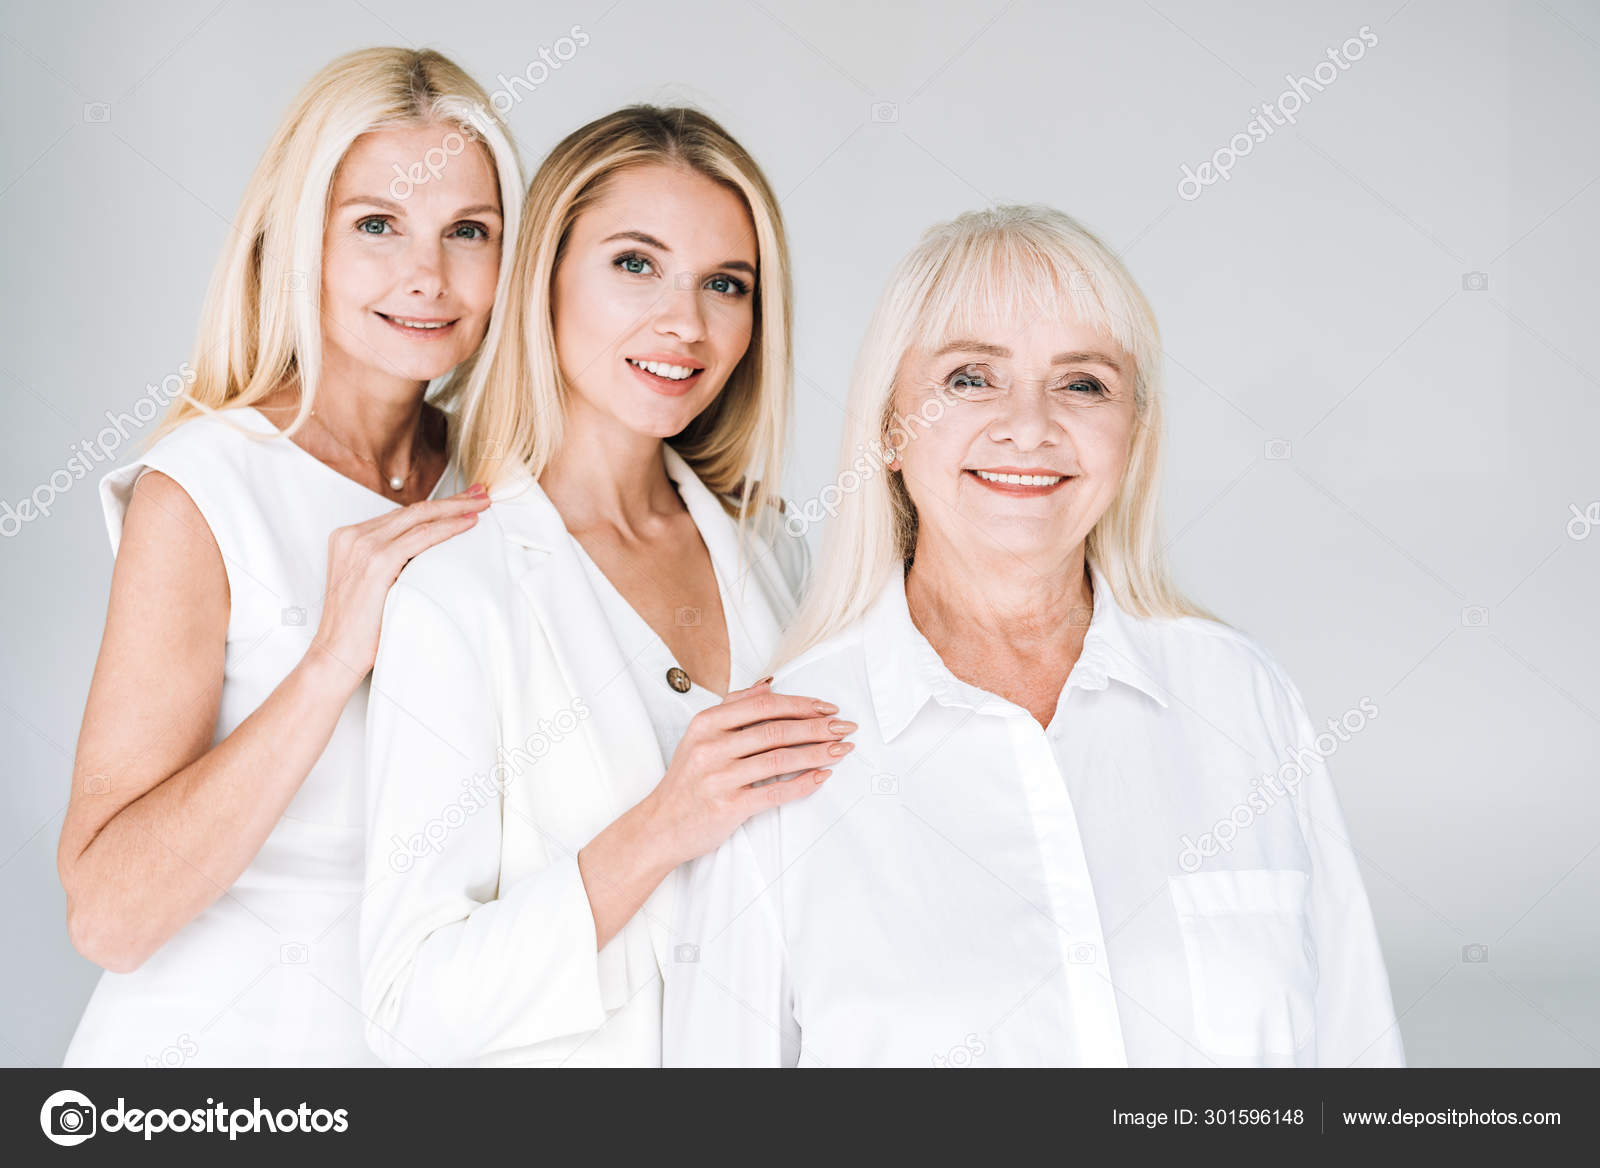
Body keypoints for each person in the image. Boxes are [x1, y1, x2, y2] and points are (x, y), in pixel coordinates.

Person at [663, 204, 1406, 1068]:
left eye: (1083, 383)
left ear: (1134, 433)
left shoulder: (1239, 697)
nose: (1030, 424)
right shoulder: (783, 750)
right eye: (971, 378)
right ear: (889, 432)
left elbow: (1356, 1051)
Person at [359, 106, 852, 1067]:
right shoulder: (458, 593)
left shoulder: (779, 559)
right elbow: (408, 1008)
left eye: (725, 284)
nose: (686, 321)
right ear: (544, 278)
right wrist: (662, 828)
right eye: (636, 264)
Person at [58, 47, 521, 1067]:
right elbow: (109, 917)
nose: (428, 276)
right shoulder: (202, 488)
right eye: (375, 226)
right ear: (294, 240)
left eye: (468, 232)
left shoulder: (502, 488)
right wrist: (328, 661)